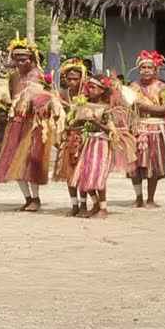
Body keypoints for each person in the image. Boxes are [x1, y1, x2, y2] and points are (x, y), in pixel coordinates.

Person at [0, 37, 63, 212]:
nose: (21, 62)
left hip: (34, 125)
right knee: (15, 162)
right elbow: (11, 99)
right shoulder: (13, 77)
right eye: (17, 59)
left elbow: (50, 100)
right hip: (16, 123)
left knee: (31, 163)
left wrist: (37, 103)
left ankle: (36, 199)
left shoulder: (40, 76)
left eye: (24, 59)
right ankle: (28, 198)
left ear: (32, 58)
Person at [129, 50, 165, 209]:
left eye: (149, 68)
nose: (146, 70)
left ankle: (150, 199)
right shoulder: (133, 86)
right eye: (143, 68)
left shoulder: (162, 86)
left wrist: (146, 107)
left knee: (152, 165)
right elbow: (127, 107)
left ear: (155, 70)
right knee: (134, 165)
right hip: (137, 127)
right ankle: (138, 197)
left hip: (155, 129)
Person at [72, 75, 118, 219]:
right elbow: (79, 124)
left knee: (98, 177)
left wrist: (96, 122)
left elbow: (111, 131)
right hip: (89, 143)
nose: (89, 90)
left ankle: (103, 209)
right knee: (84, 176)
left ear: (102, 90)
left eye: (93, 87)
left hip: (102, 144)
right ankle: (96, 204)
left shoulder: (107, 108)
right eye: (89, 87)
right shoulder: (86, 104)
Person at [53, 59, 92, 217]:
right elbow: (58, 116)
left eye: (76, 79)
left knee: (81, 173)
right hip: (68, 136)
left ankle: (84, 205)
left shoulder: (87, 94)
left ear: (82, 78)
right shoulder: (63, 95)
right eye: (69, 79)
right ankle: (74, 204)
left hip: (83, 136)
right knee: (69, 173)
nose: (72, 82)